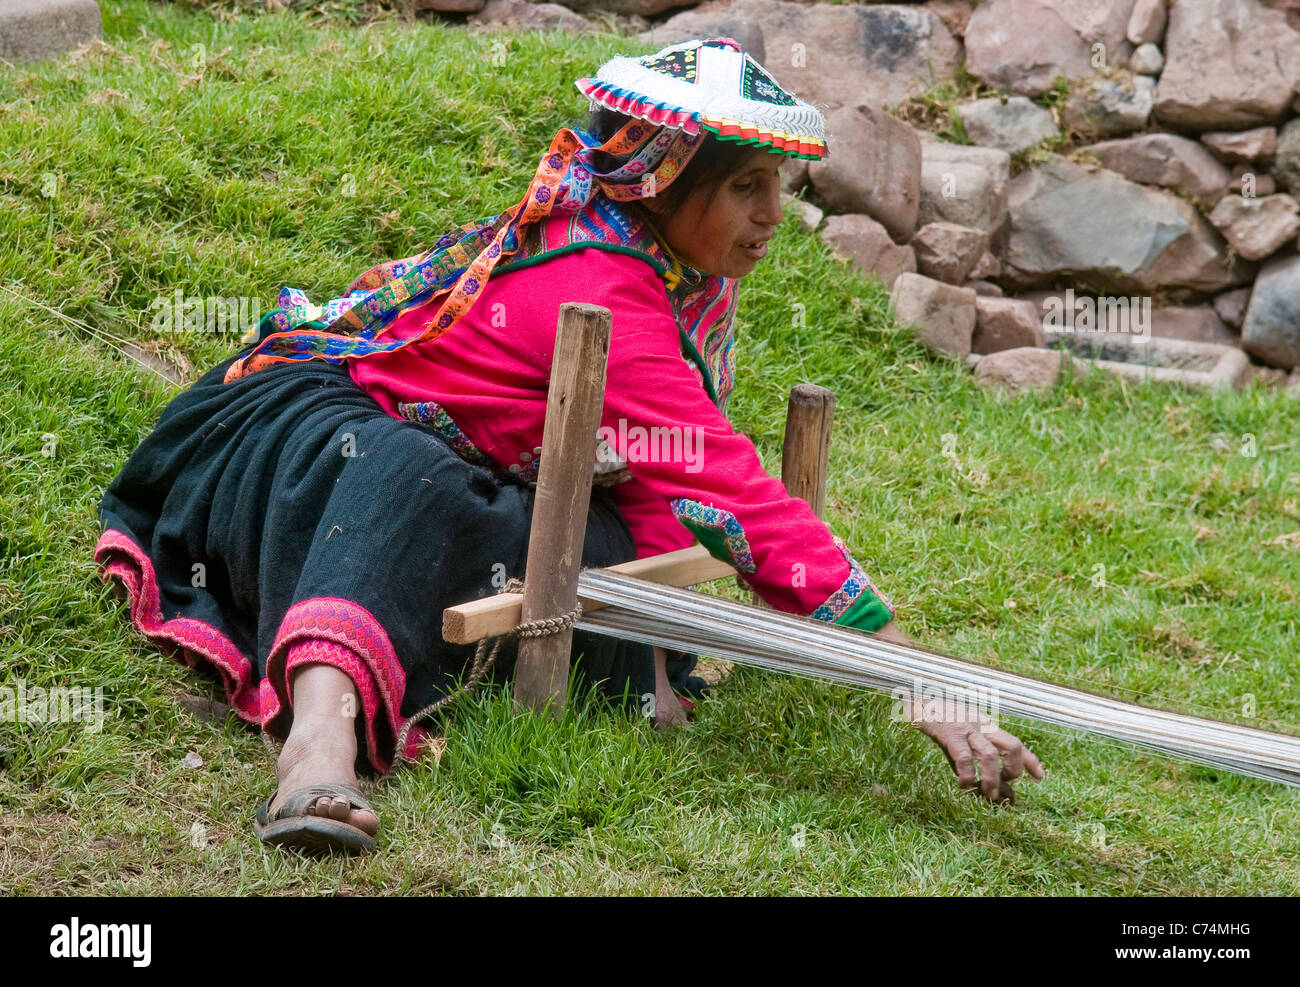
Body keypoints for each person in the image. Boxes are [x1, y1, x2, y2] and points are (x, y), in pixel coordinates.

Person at [94, 37, 1042, 855]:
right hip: (314, 438)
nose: (769, 216)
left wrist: (659, 669)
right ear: (669, 180)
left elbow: (657, 471)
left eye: (777, 188)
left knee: (588, 533)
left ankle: (553, 677)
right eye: (746, 188)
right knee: (408, 473)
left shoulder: (674, 270)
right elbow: (737, 489)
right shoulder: (604, 284)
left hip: (489, 472)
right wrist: (919, 678)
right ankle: (318, 741)